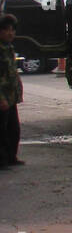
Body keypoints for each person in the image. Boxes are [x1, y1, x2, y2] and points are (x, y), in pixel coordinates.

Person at [0, 13, 24, 168]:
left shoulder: (9, 48)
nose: (11, 33)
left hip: (11, 97)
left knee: (13, 129)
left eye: (13, 30)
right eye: (7, 30)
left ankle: (10, 157)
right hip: (2, 97)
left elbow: (13, 72)